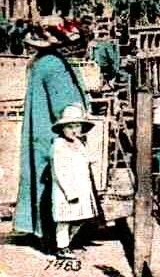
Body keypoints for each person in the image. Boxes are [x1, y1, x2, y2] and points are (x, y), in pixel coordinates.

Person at [15, 40, 89, 249]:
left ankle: (40, 231)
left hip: (40, 132)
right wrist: (79, 126)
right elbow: (65, 109)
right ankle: (57, 240)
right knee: (61, 188)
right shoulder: (55, 65)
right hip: (53, 136)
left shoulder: (41, 62)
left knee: (41, 181)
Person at [50, 104, 100, 259]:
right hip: (66, 190)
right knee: (64, 220)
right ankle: (62, 247)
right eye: (69, 127)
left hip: (82, 188)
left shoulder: (79, 143)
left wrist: (92, 158)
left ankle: (69, 242)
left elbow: (85, 159)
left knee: (80, 217)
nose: (74, 130)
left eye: (77, 126)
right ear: (62, 128)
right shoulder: (59, 145)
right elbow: (59, 171)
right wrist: (69, 192)